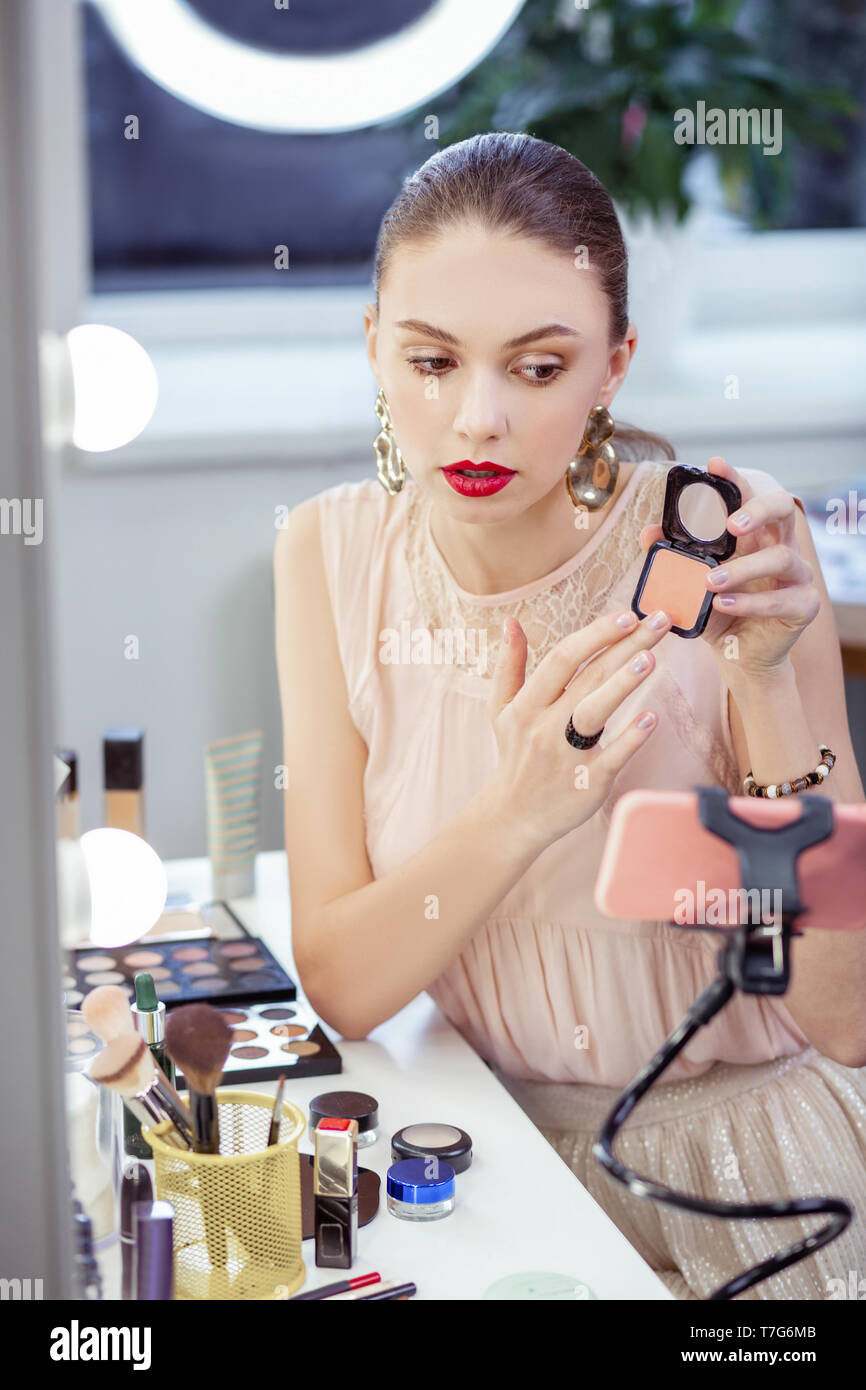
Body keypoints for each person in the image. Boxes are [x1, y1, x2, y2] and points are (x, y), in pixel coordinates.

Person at [274, 132, 866, 1299]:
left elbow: (845, 1015)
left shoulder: (728, 558)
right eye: (431, 361)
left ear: (613, 365)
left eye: (538, 368)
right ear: (373, 349)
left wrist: (759, 680)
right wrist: (517, 811)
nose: (477, 419)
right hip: (478, 1169)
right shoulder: (328, 554)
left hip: (747, 1179)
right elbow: (343, 979)